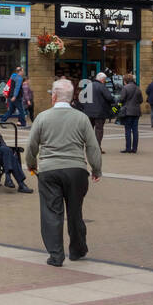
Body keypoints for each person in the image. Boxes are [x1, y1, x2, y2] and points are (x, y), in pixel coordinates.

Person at [26, 78, 102, 267]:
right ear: (71, 97)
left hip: (49, 171)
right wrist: (96, 168)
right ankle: (77, 249)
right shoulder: (81, 118)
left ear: (53, 97)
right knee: (75, 211)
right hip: (76, 170)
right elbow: (93, 146)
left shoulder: (42, 117)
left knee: (52, 213)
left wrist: (31, 164)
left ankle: (56, 255)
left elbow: (31, 146)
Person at [83, 71, 114, 154]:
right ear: (103, 80)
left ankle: (88, 148)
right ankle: (97, 148)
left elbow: (83, 97)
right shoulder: (102, 86)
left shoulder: (89, 86)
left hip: (88, 112)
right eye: (105, 80)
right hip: (100, 112)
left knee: (89, 131)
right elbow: (109, 98)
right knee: (99, 130)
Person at [117, 73, 142, 153]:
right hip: (136, 111)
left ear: (125, 81)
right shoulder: (138, 88)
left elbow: (121, 99)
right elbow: (141, 100)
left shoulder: (125, 88)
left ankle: (128, 148)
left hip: (127, 111)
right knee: (135, 130)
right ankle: (134, 148)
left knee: (127, 130)